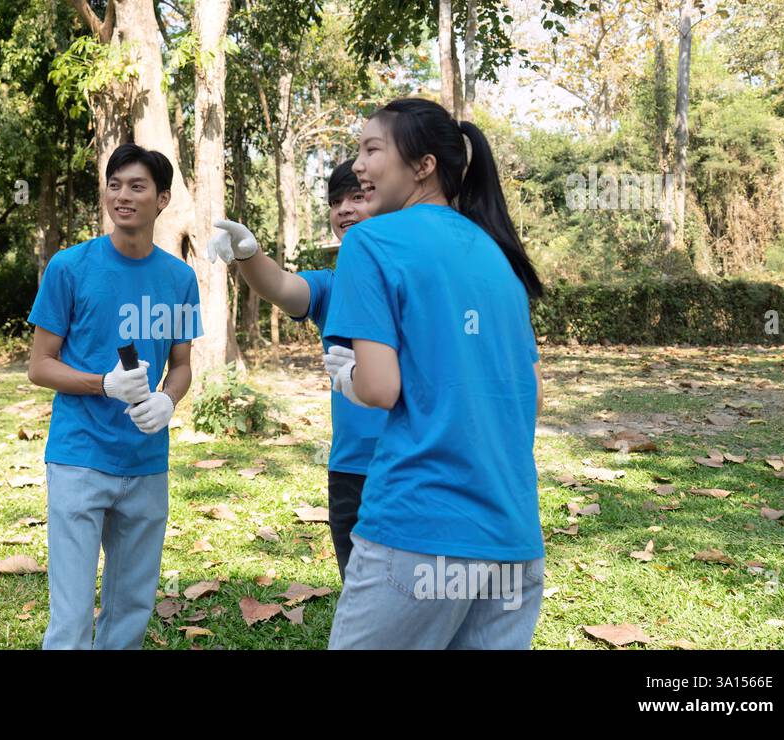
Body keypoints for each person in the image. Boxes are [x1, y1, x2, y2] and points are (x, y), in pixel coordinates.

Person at [322, 98, 546, 649]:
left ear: (423, 166)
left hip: (418, 526)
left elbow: (380, 388)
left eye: (373, 149)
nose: (359, 165)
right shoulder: (501, 258)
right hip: (512, 538)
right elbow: (534, 395)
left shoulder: (370, 243)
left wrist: (347, 375)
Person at [26, 143, 203, 649]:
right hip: (80, 457)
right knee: (72, 615)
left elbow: (183, 365)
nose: (122, 196)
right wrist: (102, 383)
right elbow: (39, 366)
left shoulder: (180, 278)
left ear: (163, 199)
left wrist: (169, 400)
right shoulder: (70, 267)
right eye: (115, 184)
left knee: (130, 611)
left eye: (137, 186)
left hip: (146, 462)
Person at [207, 159, 387, 583]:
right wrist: (249, 255)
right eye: (335, 201)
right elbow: (284, 287)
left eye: (357, 197)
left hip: (412, 463)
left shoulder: (420, 275)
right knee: (361, 595)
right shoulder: (330, 284)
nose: (344, 209)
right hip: (350, 471)